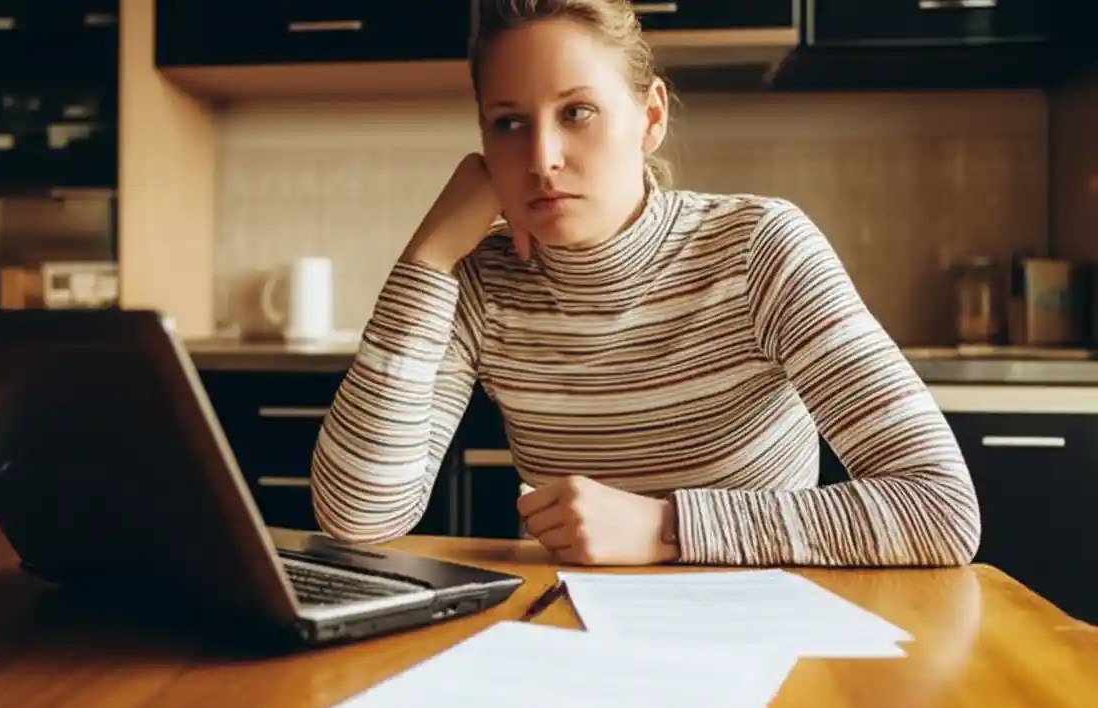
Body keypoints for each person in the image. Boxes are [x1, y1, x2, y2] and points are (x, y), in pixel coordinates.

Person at [308, 0, 980, 567]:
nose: (541, 158)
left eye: (577, 112)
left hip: (757, 627)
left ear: (651, 118)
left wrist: (666, 529)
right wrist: (426, 259)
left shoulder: (758, 248)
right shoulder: (483, 285)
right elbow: (358, 518)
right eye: (508, 123)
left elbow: (941, 508)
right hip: (565, 628)